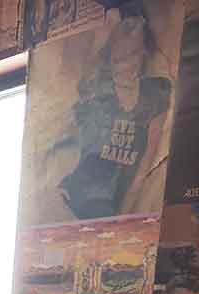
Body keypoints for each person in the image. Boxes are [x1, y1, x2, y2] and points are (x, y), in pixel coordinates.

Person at [57, 5, 171, 219]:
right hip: (77, 197)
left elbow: (143, 168)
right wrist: (108, 28)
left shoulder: (155, 94)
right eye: (118, 61)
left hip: (112, 207)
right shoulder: (99, 94)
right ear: (110, 59)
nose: (125, 68)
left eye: (132, 57)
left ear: (143, 54)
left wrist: (120, 217)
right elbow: (82, 78)